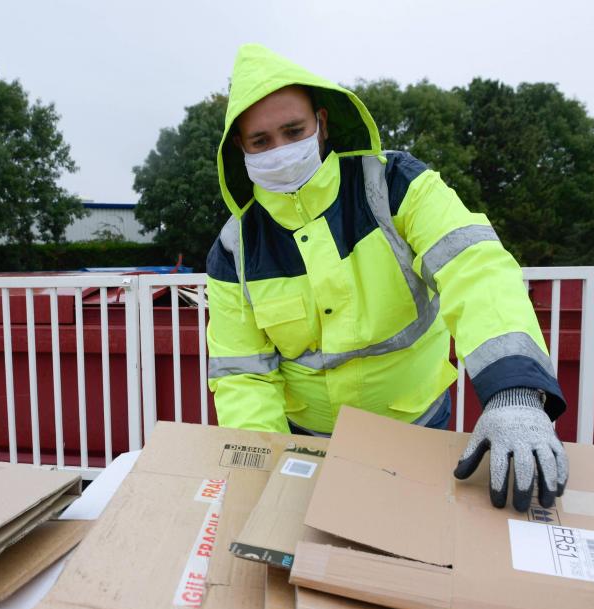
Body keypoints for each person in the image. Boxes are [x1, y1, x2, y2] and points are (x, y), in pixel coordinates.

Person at [205, 44, 568, 512]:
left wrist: (513, 389)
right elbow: (244, 375)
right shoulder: (235, 247)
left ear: (322, 123)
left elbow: (475, 269)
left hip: (416, 429)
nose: (281, 151)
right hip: (307, 444)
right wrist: (266, 471)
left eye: (293, 131)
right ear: (240, 147)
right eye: (261, 141)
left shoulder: (395, 184)